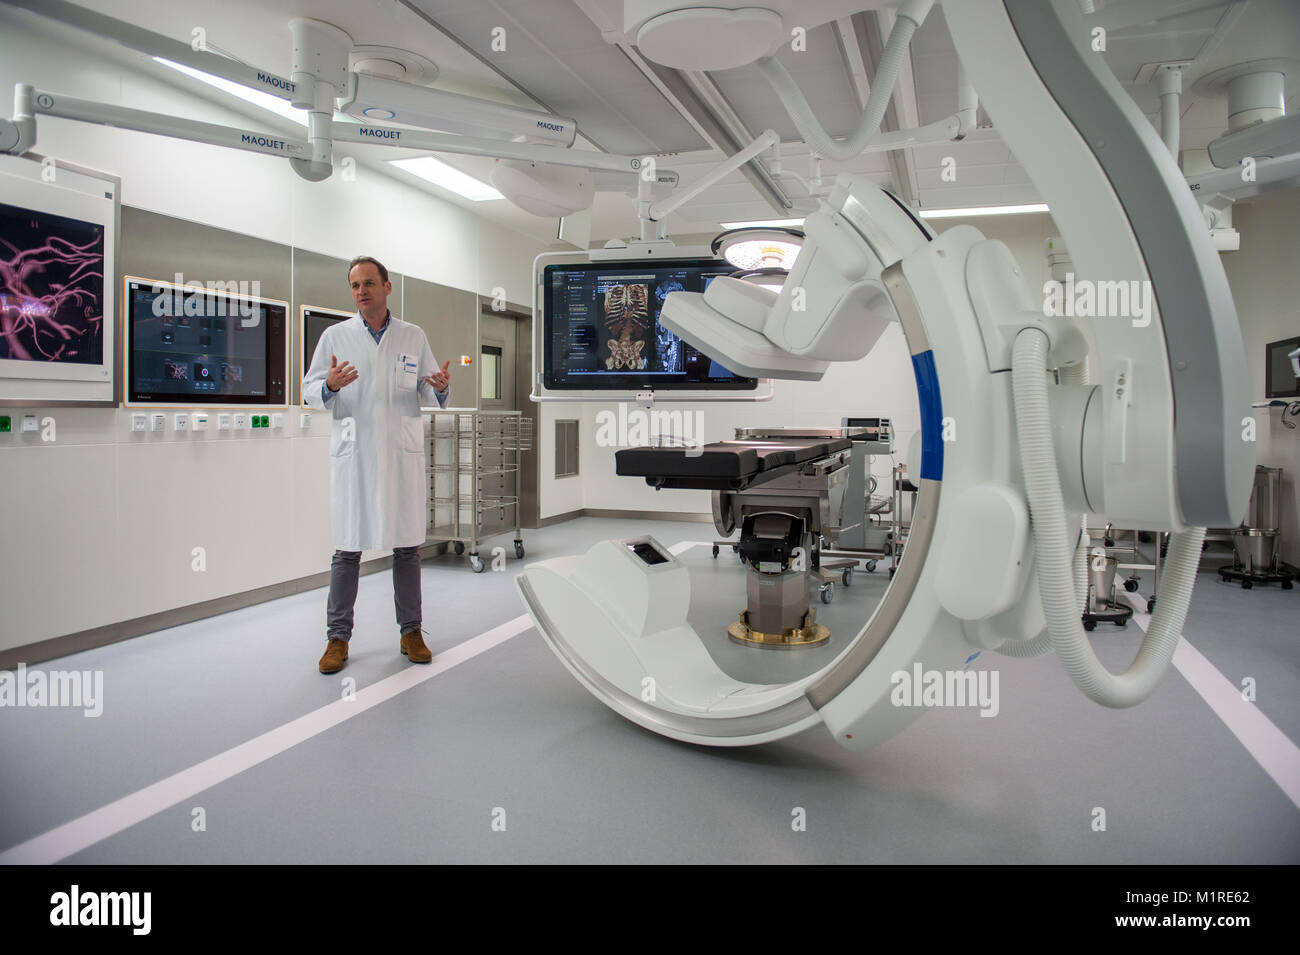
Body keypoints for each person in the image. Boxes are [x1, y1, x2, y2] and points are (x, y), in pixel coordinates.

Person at [302, 256, 450, 674]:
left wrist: (438, 386)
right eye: (354, 285)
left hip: (399, 454)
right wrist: (329, 385)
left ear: (387, 287)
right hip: (356, 454)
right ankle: (337, 638)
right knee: (347, 548)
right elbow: (310, 387)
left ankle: (411, 631)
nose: (361, 291)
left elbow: (428, 384)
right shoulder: (335, 336)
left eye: (369, 283)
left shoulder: (412, 336)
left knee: (406, 546)